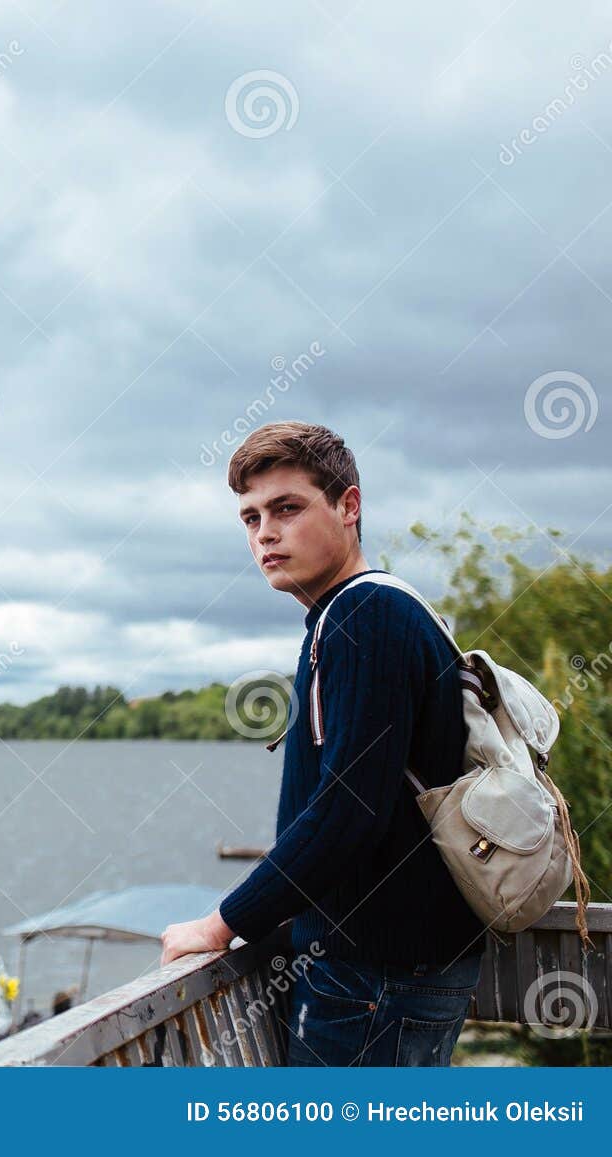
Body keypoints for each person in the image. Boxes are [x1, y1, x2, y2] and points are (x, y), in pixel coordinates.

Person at [158, 421, 486, 1066]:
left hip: (374, 980)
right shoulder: (354, 616)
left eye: (287, 508)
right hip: (384, 973)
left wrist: (220, 924)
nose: (265, 534)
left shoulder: (369, 616)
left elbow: (347, 813)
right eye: (250, 519)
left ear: (348, 506)